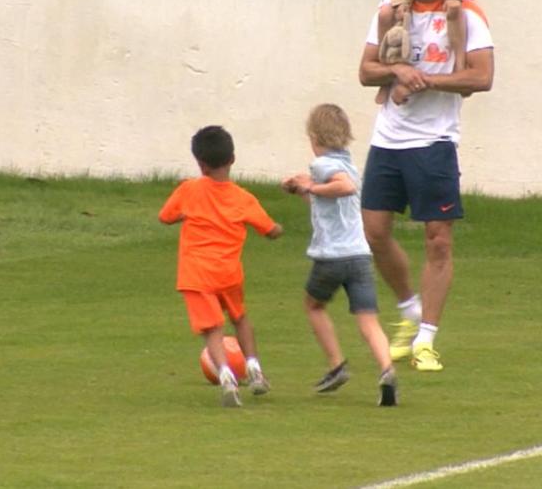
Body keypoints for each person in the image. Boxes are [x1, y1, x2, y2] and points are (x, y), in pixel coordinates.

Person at [357, 0, 495, 372]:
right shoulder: (391, 7)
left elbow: (482, 77)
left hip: (435, 141)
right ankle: (410, 311)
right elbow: (365, 71)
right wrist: (397, 69)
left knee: (438, 239)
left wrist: (428, 80)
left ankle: (427, 340)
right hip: (389, 137)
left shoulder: (467, 11)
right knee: (374, 232)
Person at [159, 125, 284, 407]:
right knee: (240, 318)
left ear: (200, 164)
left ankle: (227, 376)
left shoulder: (188, 190)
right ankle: (254, 370)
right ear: (233, 158)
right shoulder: (243, 198)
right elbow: (269, 229)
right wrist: (278, 228)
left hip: (196, 274)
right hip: (228, 272)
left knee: (213, 329)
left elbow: (165, 217)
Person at [281, 104, 397, 407]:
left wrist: (310, 184)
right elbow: (326, 202)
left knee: (313, 305)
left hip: (332, 256)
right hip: (360, 255)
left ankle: (336, 365)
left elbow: (343, 188)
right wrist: (303, 191)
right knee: (368, 320)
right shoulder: (348, 163)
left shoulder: (322, 166)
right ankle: (387, 369)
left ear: (315, 137)